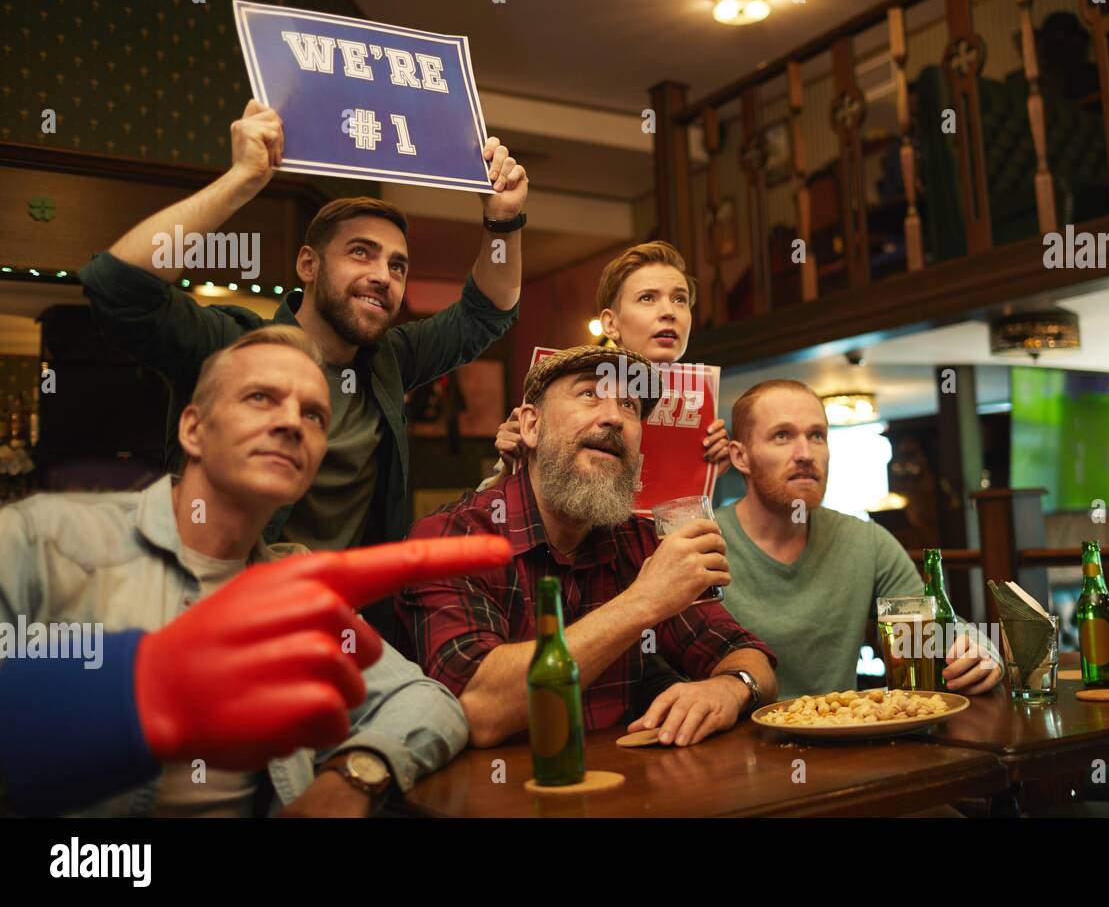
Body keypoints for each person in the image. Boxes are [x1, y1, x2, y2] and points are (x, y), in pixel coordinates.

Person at [0, 328, 510, 816]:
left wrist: (354, 776)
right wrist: (140, 687)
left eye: (313, 415)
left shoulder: (294, 581)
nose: (292, 423)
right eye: (261, 398)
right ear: (194, 429)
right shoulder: (40, 539)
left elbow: (428, 701)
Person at [79, 100, 526, 556]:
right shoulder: (232, 346)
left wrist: (503, 221)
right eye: (360, 253)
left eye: (398, 265)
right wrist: (242, 179)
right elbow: (118, 288)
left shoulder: (390, 359)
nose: (382, 275)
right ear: (308, 264)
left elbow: (485, 313)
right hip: (229, 608)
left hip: (354, 615)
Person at [398, 345, 778, 748]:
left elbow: (750, 657)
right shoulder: (449, 539)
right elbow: (478, 710)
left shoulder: (641, 541)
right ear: (530, 426)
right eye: (589, 394)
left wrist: (730, 687)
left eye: (630, 405)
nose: (614, 417)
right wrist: (642, 602)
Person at [716, 379, 1003, 700]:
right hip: (734, 744)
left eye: (817, 436)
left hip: (843, 738)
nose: (806, 454)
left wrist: (979, 653)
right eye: (782, 436)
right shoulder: (701, 543)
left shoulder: (864, 541)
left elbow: (936, 631)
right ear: (740, 457)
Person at [484, 241, 730, 484]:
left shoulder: (702, 407)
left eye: (680, 300)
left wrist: (704, 476)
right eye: (647, 298)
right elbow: (486, 511)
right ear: (611, 324)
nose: (669, 311)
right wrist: (511, 468)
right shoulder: (562, 389)